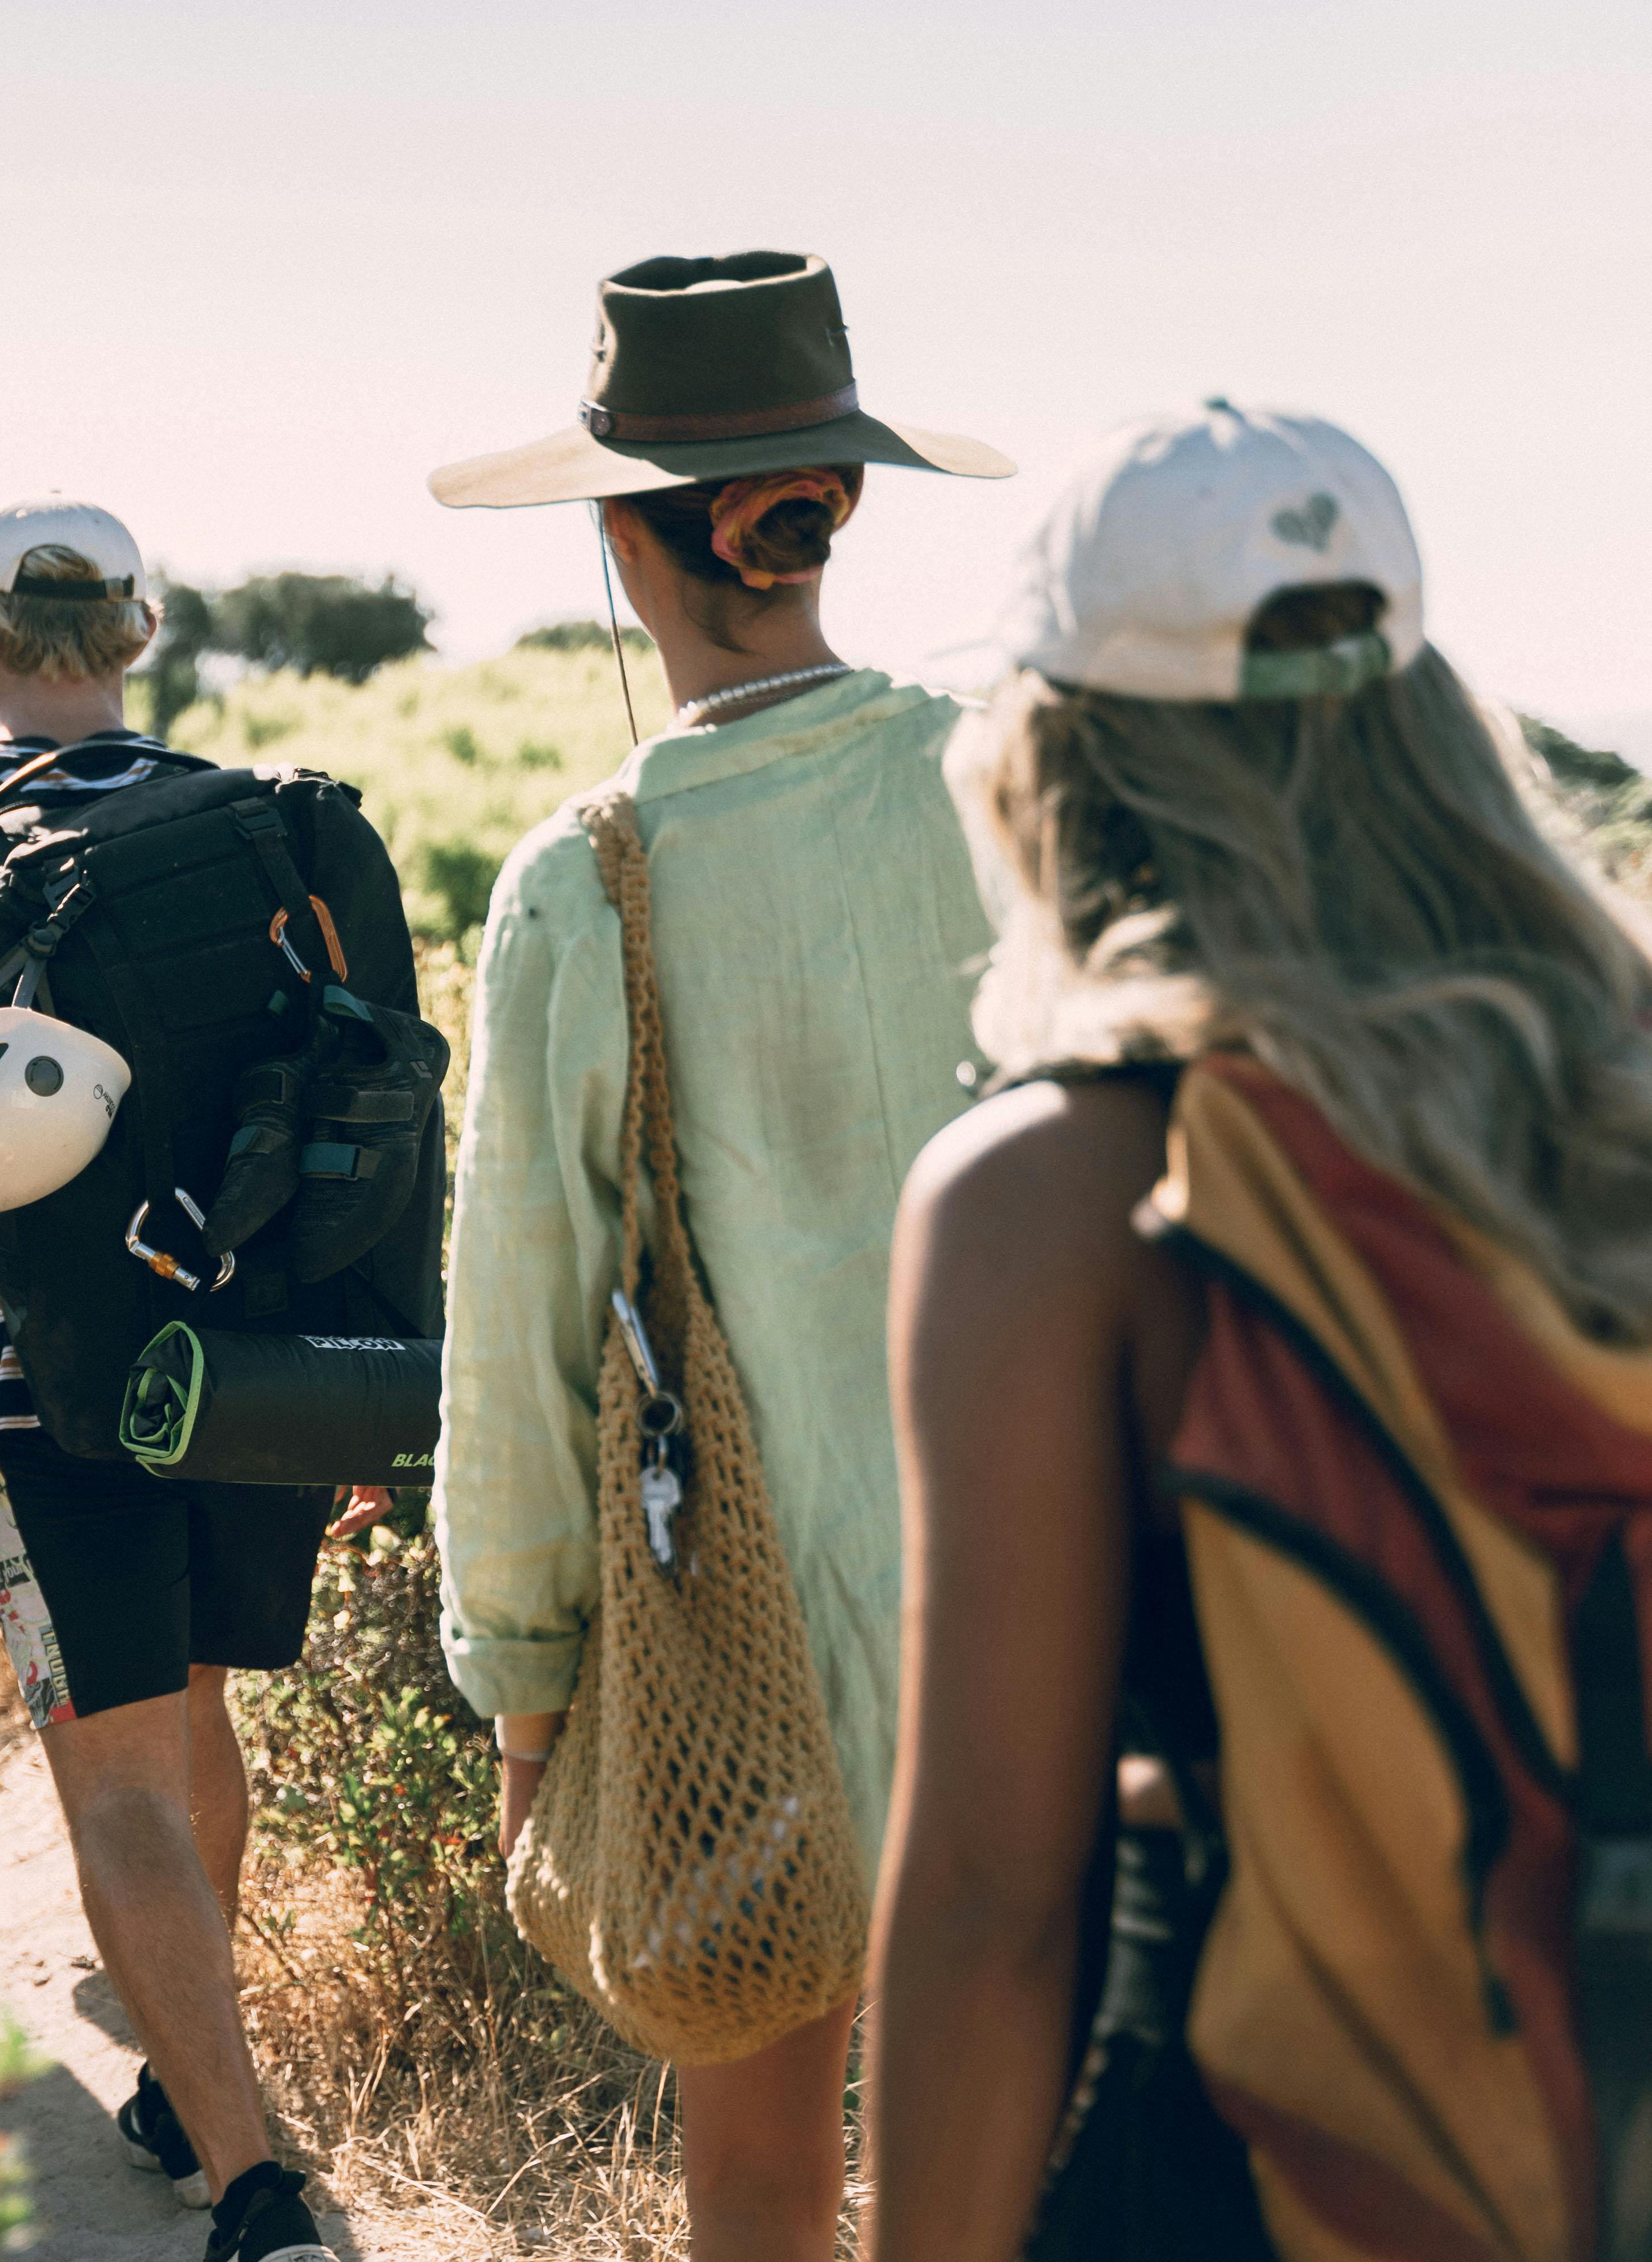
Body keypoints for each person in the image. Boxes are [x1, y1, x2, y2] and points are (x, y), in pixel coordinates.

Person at [868, 404, 1652, 2261]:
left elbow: (993, 1900)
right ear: (1426, 720)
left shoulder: (1068, 1199)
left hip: (1276, 2174)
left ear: (1053, 754)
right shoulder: (1617, 1116)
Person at [423, 250, 1012, 2260]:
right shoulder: (1009, 784)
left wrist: (526, 1694)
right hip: (1065, 1605)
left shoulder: (586, 885)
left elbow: (515, 1335)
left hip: (750, 1662)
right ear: (834, 508)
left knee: (761, 2186)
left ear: (619, 537)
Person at [0, 498, 392, 2262]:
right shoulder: (263, 828)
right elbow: (353, 1108)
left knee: (112, 1772)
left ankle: (252, 2187)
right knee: (197, 1719)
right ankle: (190, 2097)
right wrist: (360, 1375)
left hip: (40, 1383)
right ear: (140, 634)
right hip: (257, 1366)